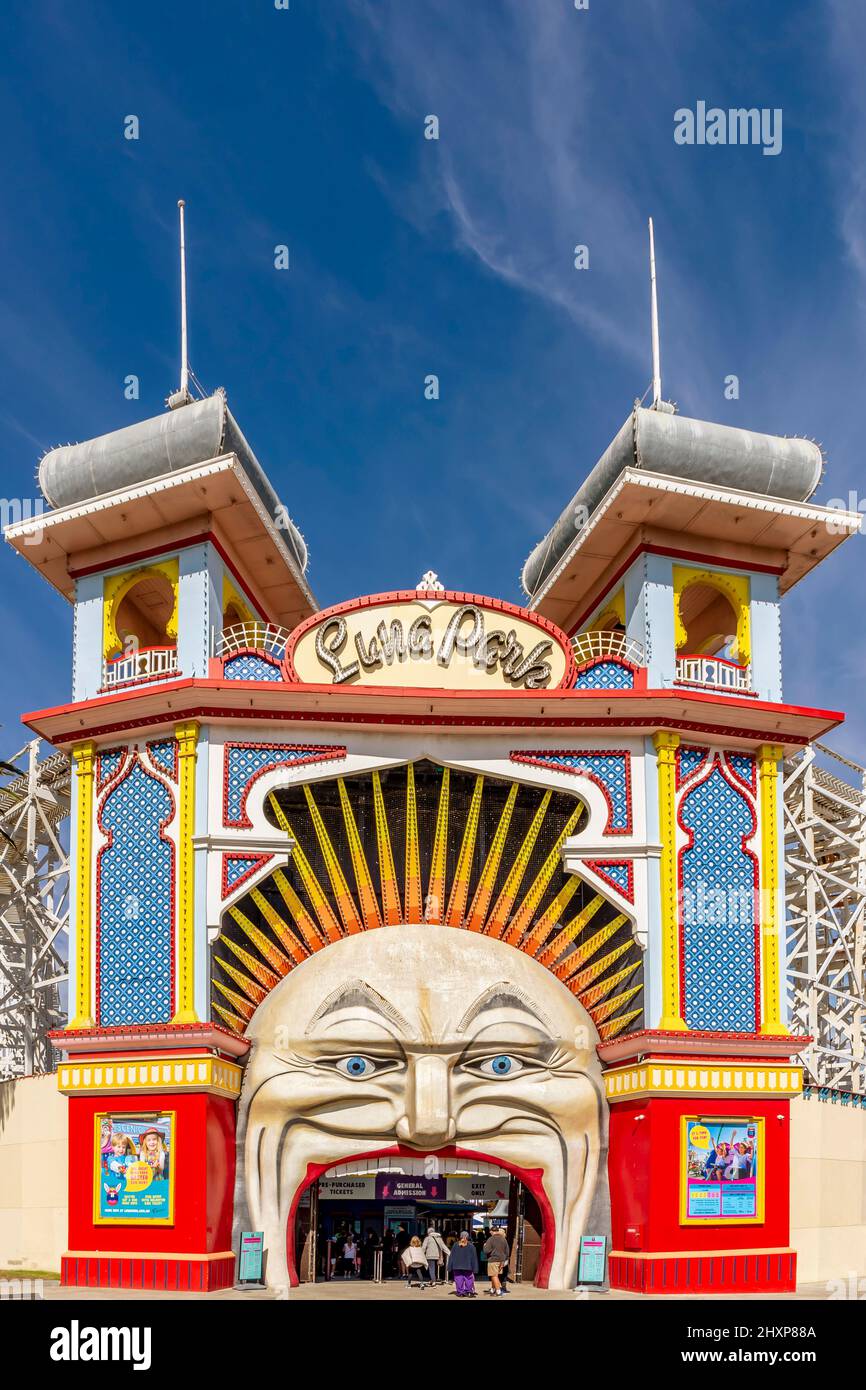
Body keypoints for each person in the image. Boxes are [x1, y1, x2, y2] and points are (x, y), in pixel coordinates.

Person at [447, 1231, 479, 1297]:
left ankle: (460, 1292)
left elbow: (451, 1256)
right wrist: (475, 1268)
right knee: (469, 1279)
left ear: (460, 1237)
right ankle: (469, 1291)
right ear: (468, 1237)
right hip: (468, 1266)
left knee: (458, 1279)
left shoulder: (455, 1245)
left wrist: (449, 1266)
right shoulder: (471, 1246)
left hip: (457, 1266)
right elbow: (474, 1258)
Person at [483, 1226, 510, 1297]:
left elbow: (486, 1251)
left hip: (493, 1260)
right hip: (501, 1260)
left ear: (492, 1231)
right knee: (495, 1275)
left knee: (494, 1276)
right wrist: (504, 1260)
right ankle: (493, 1289)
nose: (490, 1233)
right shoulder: (503, 1239)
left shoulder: (490, 1239)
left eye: (490, 1232)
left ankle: (498, 1291)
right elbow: (507, 1252)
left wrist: (484, 1245)